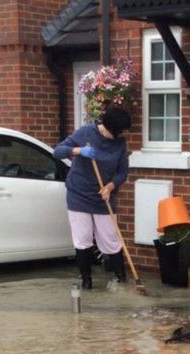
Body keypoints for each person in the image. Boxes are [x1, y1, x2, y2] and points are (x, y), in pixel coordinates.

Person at [54, 107, 132, 289]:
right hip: (79, 195)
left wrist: (110, 186)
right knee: (83, 240)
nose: (122, 134)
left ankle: (122, 280)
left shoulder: (120, 143)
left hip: (104, 198)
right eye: (120, 130)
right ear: (111, 126)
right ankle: (86, 282)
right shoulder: (85, 133)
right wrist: (79, 151)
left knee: (111, 240)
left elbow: (122, 172)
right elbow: (58, 152)